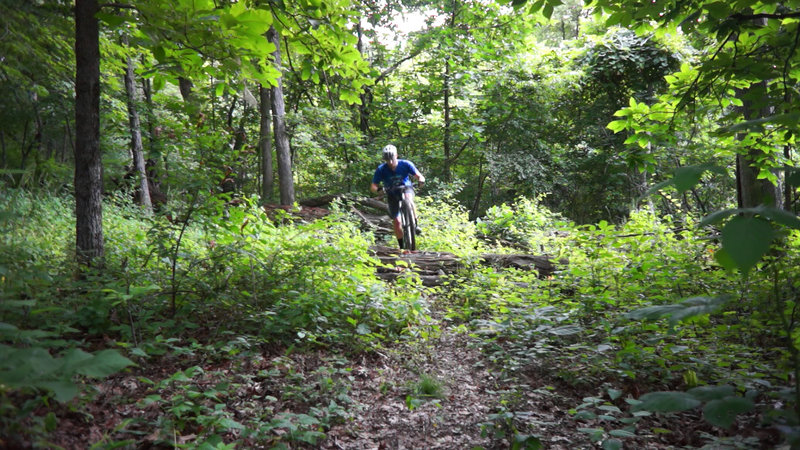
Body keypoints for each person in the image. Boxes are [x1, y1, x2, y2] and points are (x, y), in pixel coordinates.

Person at [370, 144, 425, 249]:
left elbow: (418, 175)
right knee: (397, 221)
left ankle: (415, 223)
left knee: (408, 198)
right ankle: (402, 247)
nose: (390, 162)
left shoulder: (406, 164)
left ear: (396, 155)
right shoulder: (381, 169)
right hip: (391, 192)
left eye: (392, 159)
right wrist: (378, 190)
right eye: (387, 160)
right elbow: (373, 185)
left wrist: (421, 180)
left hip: (406, 187)